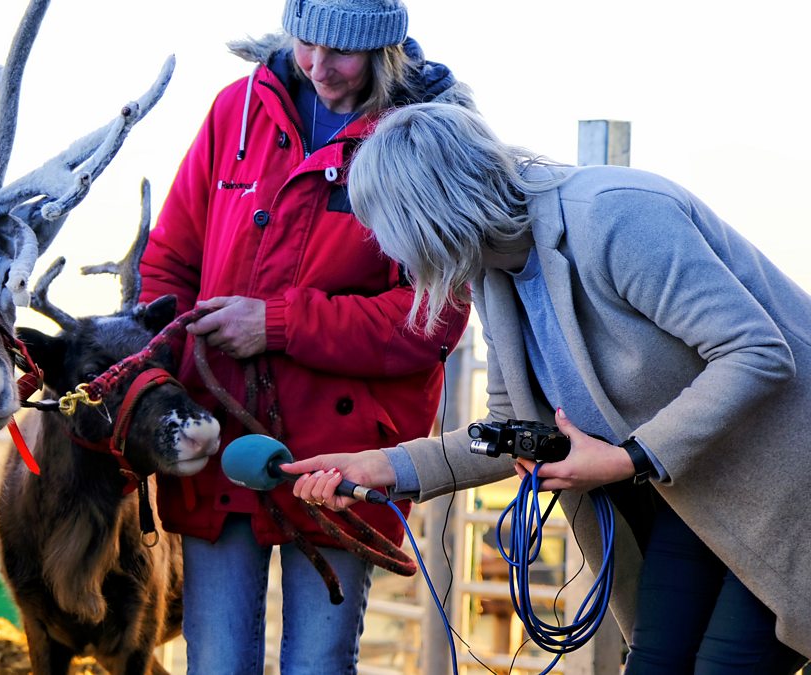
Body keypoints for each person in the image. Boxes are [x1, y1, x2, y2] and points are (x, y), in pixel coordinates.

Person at [286, 102, 811, 672]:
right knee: (656, 661)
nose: (394, 254)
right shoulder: (490, 270)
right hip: (697, 492)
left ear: (429, 219)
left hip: (783, 486)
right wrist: (382, 467)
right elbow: (514, 433)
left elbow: (755, 353)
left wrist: (626, 457)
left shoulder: (618, 216)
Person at [137, 1, 471, 672]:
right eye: (306, 41)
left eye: (341, 50)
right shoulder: (236, 112)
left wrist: (277, 323)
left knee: (318, 661)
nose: (317, 64)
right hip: (222, 439)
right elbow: (168, 262)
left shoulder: (425, 140)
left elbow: (430, 316)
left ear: (384, 48)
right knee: (216, 660)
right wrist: (157, 376)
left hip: (342, 456)